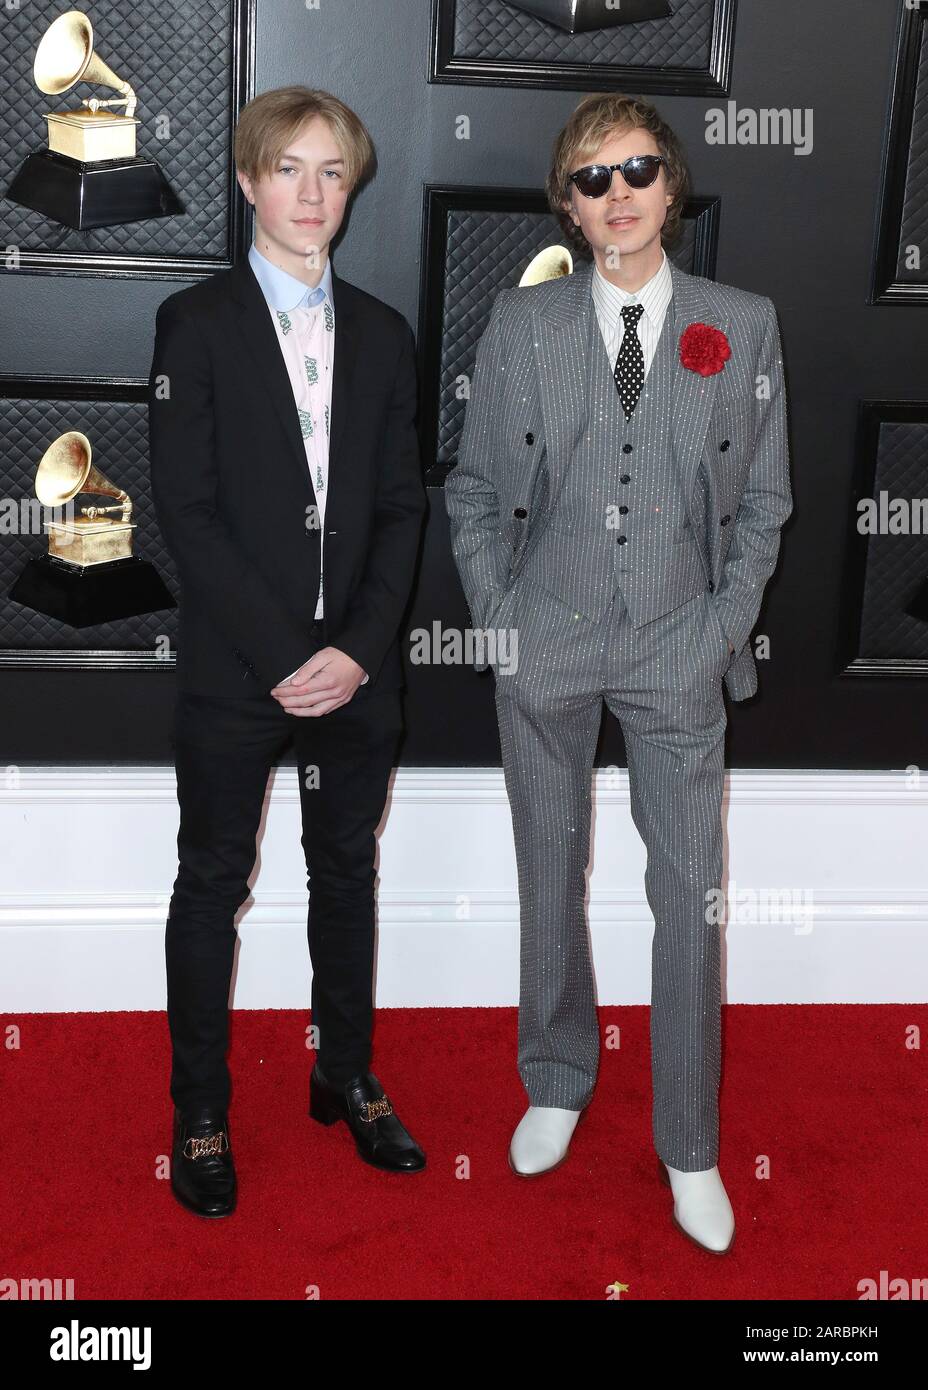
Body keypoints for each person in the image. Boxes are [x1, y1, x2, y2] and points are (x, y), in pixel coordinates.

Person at [445, 92, 792, 1253]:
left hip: (676, 641)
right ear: (569, 203)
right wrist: (500, 621)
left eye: (637, 168)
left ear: (669, 185)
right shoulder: (519, 323)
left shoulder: (739, 325)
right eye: (592, 178)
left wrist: (715, 629)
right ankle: (555, 1077)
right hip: (544, 632)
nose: (618, 192)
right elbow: (479, 494)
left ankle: (689, 1142)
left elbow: (766, 508)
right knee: (549, 870)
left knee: (687, 897)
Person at [148, 86, 427, 1218]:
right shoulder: (197, 323)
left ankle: (344, 1074)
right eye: (289, 169)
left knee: (347, 873)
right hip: (237, 674)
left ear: (349, 191)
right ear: (250, 181)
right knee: (212, 881)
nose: (311, 193)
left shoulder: (385, 333)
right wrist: (284, 653)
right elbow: (188, 512)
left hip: (356, 676)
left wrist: (354, 651)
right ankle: (201, 1109)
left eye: (332, 173)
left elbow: (406, 508)